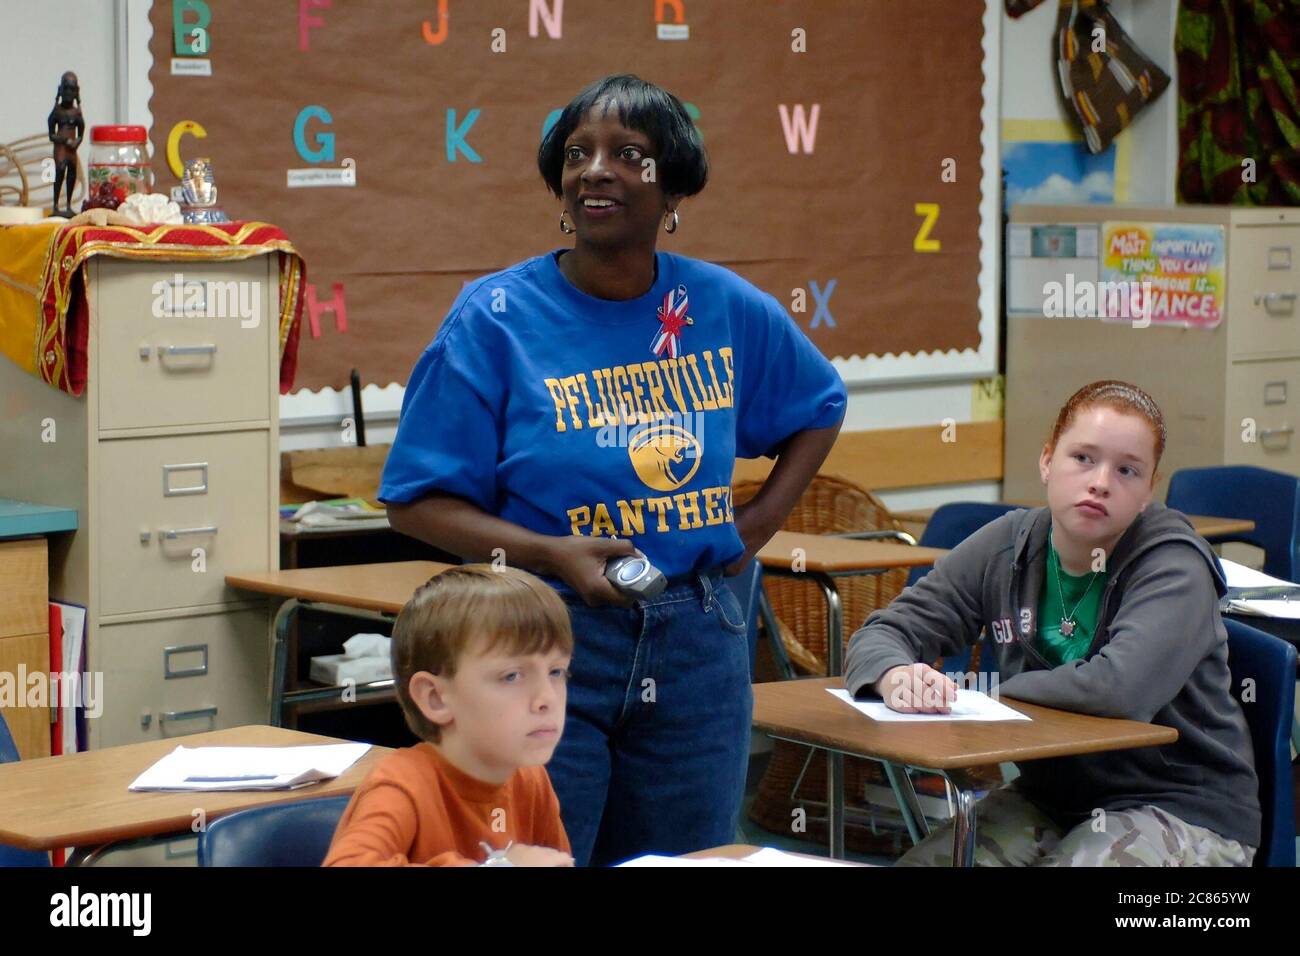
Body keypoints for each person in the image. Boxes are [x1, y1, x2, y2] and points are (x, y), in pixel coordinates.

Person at [379, 73, 846, 865]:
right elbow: (414, 502)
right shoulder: (495, 318)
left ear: (673, 188)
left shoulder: (723, 307)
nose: (596, 169)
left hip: (701, 634)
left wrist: (755, 525)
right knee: (541, 855)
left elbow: (819, 406)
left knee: (692, 857)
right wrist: (547, 552)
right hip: (543, 634)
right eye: (577, 154)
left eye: (629, 154)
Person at [844, 380, 1259, 866]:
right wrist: (895, 674)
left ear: (1149, 491)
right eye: (1083, 458)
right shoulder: (1008, 544)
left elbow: (1119, 690)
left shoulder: (1174, 565)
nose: (1101, 481)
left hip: (1181, 806)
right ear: (1046, 461)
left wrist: (981, 694)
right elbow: (884, 632)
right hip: (1055, 798)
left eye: (1127, 470)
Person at [324, 565, 574, 867]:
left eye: (556, 671)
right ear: (435, 698)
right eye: (511, 676)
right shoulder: (402, 784)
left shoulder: (530, 780)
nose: (546, 698)